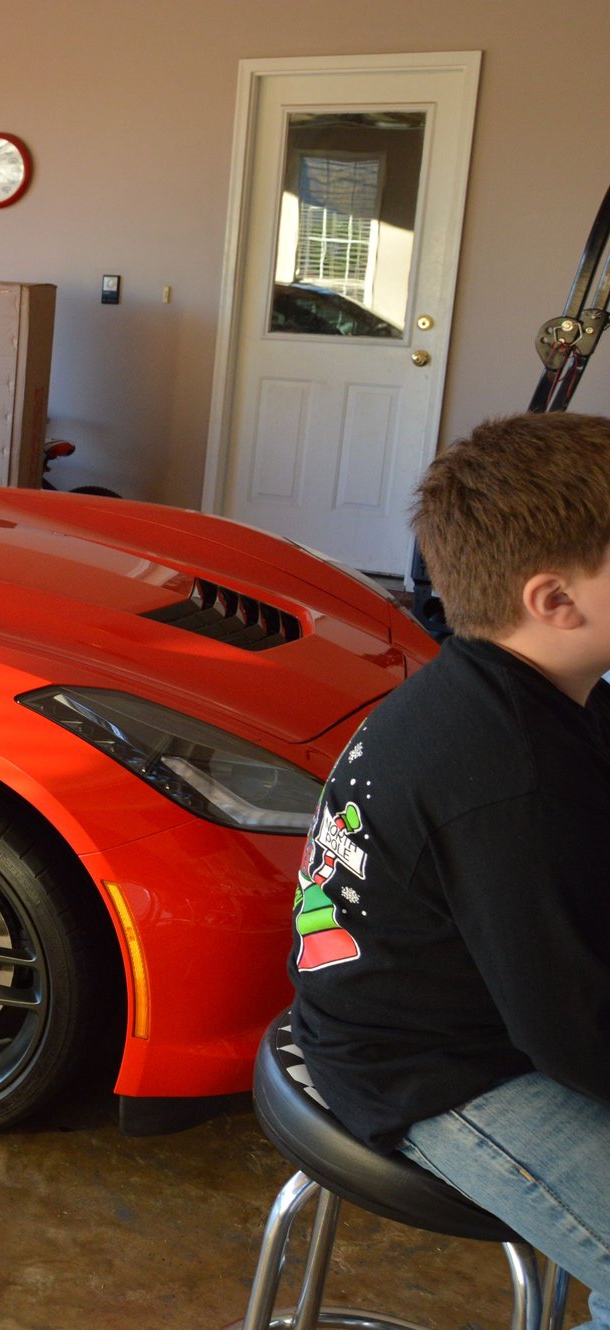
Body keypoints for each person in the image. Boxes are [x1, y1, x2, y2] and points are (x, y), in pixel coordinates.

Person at [289, 411, 610, 1325]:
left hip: (488, 1009)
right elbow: (577, 1035)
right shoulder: (509, 772)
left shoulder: (535, 688)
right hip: (436, 1072)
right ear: (555, 601)